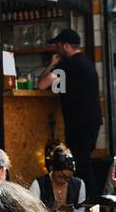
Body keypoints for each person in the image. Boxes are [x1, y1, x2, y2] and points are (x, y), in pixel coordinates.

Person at [36, 28, 102, 198]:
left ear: (65, 46)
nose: (56, 50)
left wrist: (52, 63)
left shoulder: (68, 65)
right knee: (84, 162)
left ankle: (90, 202)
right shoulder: (86, 62)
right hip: (91, 121)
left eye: (58, 46)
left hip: (78, 123)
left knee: (81, 164)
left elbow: (42, 84)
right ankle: (89, 201)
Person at [29, 144, 86, 212]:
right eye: (61, 176)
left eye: (68, 177)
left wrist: (72, 211)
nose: (64, 180)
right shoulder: (38, 184)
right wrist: (50, 211)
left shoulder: (78, 184)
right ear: (52, 169)